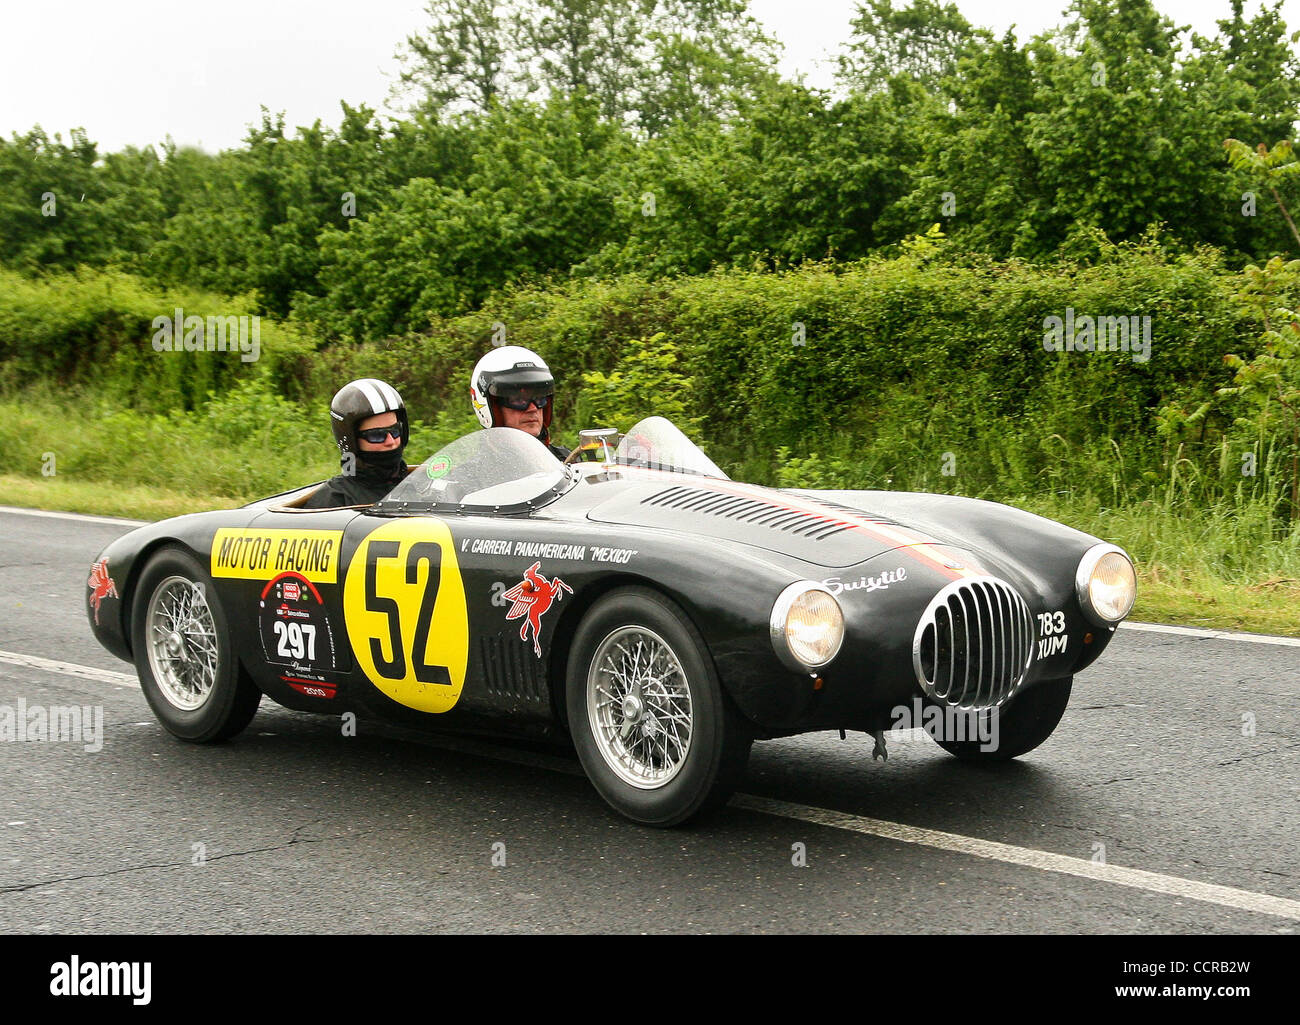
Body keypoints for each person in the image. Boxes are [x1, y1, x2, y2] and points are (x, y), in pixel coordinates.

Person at [301, 378, 411, 508]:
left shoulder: (419, 485)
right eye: (377, 435)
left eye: (395, 430)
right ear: (351, 441)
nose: (390, 441)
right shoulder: (335, 500)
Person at [469, 345, 570, 460]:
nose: (533, 408)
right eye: (518, 399)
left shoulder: (568, 462)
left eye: (538, 397)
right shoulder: (471, 475)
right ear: (492, 407)